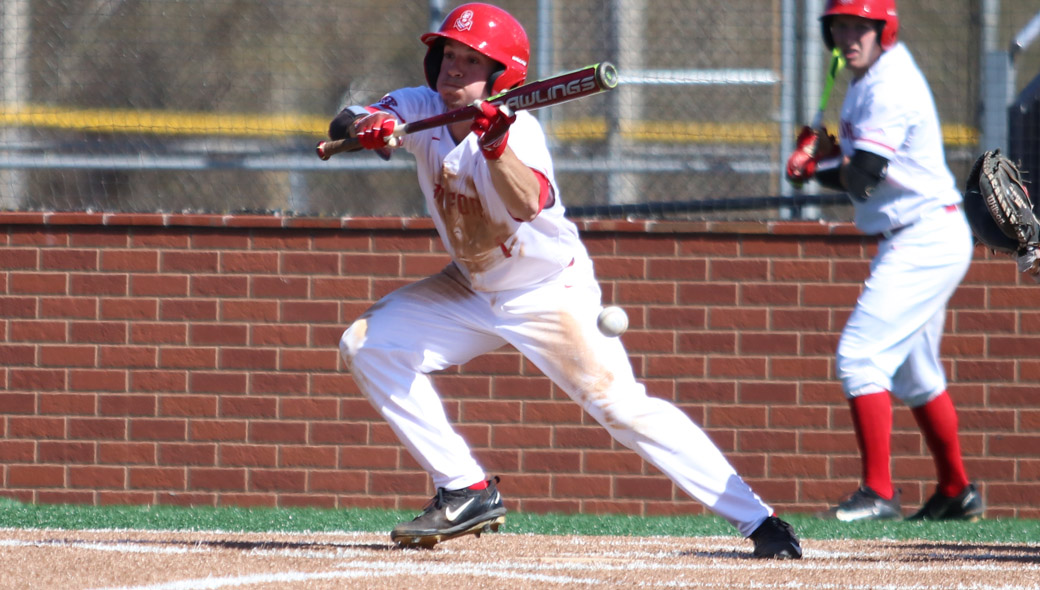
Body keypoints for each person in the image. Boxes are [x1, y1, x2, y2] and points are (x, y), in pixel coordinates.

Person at [332, 2, 802, 558]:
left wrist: (495, 143)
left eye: (473, 60)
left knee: (621, 408)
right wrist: (371, 126)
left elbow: (527, 202)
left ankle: (760, 521)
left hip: (548, 291)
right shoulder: (419, 105)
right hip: (471, 286)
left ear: (501, 75)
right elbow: (345, 121)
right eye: (449, 55)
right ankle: (464, 487)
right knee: (366, 345)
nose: (455, 69)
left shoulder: (520, 133)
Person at [785, 0, 983, 522]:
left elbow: (865, 178)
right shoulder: (868, 77)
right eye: (841, 27)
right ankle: (957, 490)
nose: (849, 38)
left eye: (861, 28)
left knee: (858, 357)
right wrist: (824, 159)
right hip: (917, 233)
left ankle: (879, 491)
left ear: (884, 30)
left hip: (925, 236)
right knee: (916, 375)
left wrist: (816, 166)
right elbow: (862, 170)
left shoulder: (888, 85)